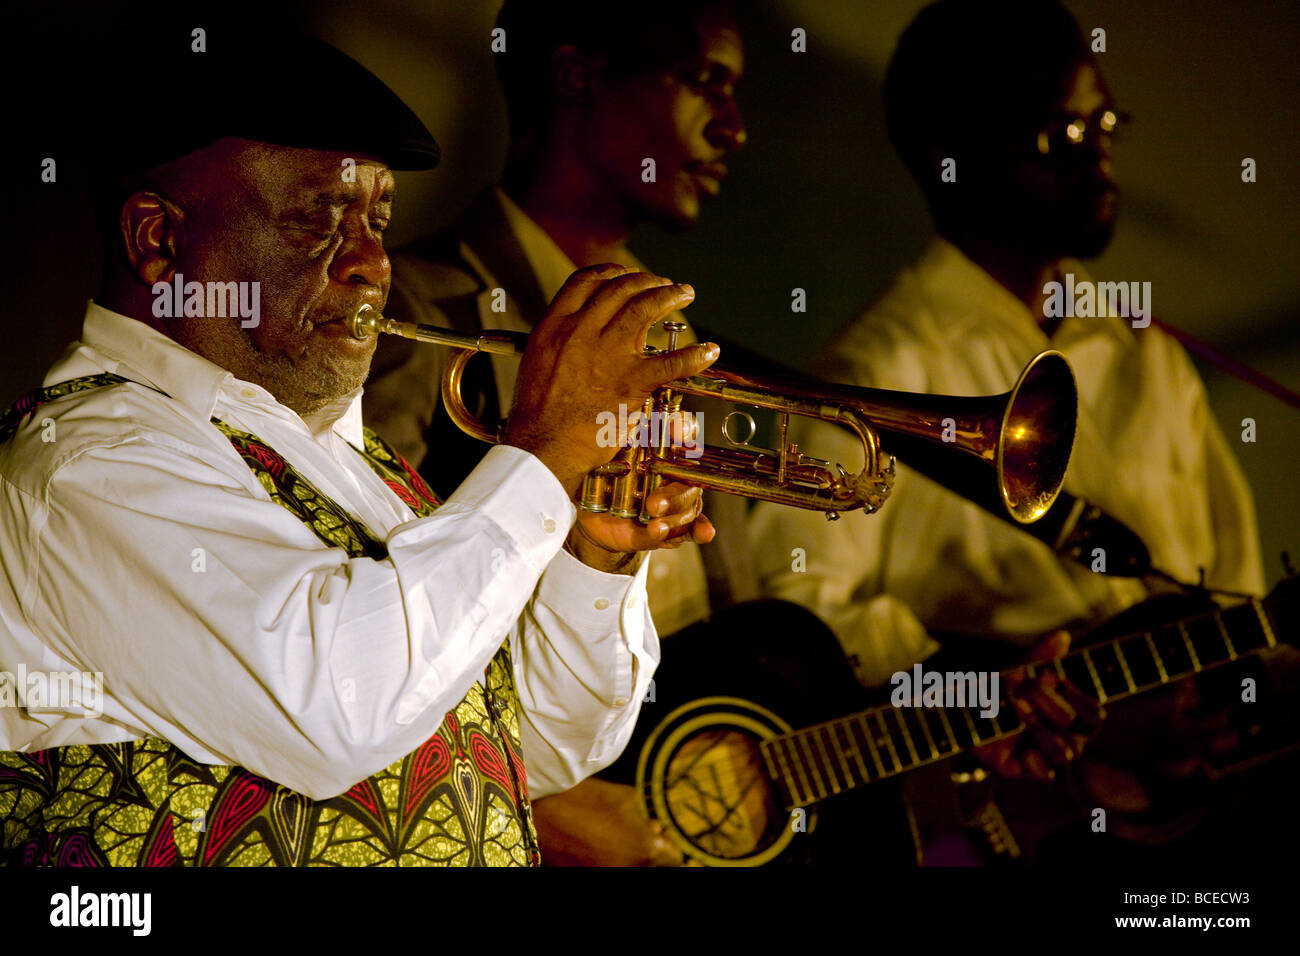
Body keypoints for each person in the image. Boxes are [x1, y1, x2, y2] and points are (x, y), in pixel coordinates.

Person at [0, 27, 717, 867]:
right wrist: (543, 453)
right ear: (157, 240)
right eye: (316, 222)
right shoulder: (86, 468)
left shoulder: (366, 475)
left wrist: (588, 557)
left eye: (378, 221)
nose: (373, 263)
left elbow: (543, 751)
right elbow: (339, 715)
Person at [751, 0, 1266, 859]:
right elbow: (797, 618)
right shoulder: (876, 371)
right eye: (1062, 136)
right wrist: (983, 683)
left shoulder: (1148, 354)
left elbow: (1239, 589)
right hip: (1014, 826)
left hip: (1180, 817)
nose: (1100, 156)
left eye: (1104, 123)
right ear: (958, 161)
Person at [364, 0, 765, 865]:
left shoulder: (674, 347)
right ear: (579, 78)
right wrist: (545, 809)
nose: (734, 127)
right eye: (705, 84)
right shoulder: (417, 313)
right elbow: (367, 618)